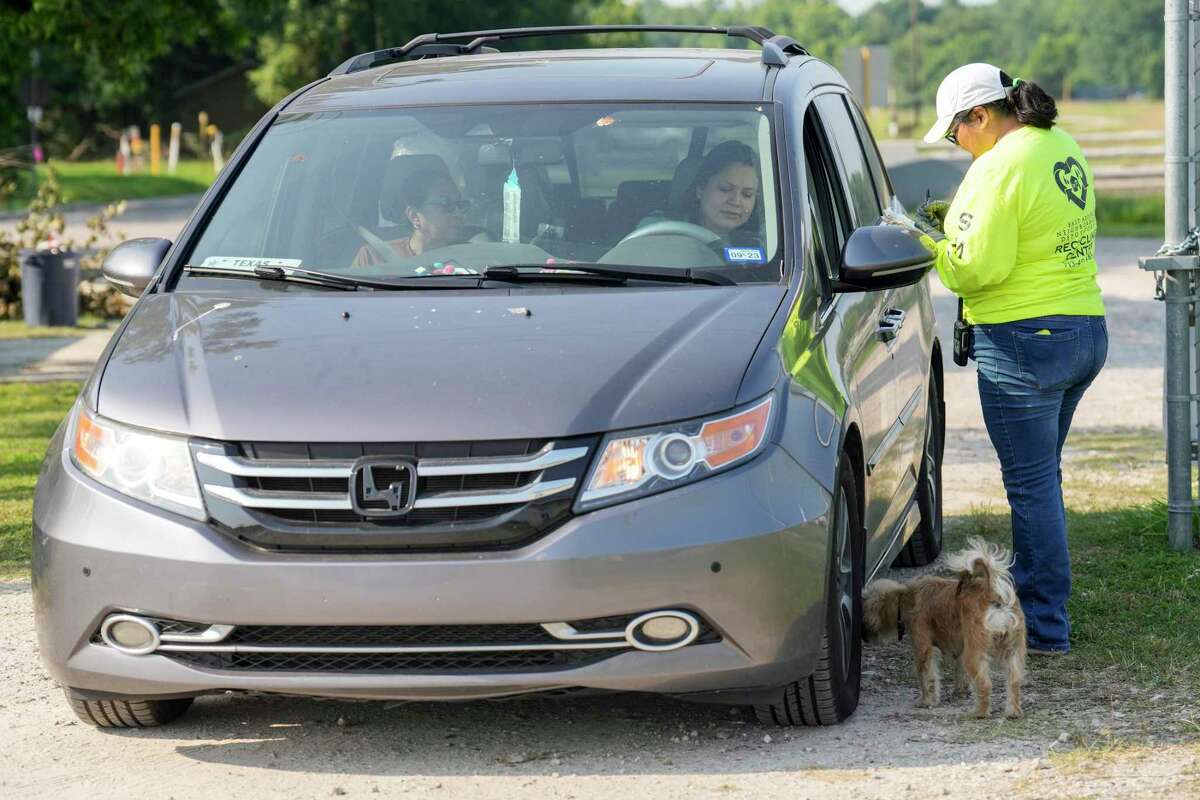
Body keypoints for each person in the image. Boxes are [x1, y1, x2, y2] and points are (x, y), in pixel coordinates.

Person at [916, 63, 1107, 655]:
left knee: (1030, 488)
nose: (957, 145)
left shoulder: (995, 166)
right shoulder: (1058, 143)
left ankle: (1046, 628)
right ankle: (1045, 615)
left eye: (955, 132)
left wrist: (927, 244)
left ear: (980, 116)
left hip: (1024, 339)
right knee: (1043, 477)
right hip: (1083, 330)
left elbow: (977, 268)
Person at [352, 167, 469, 267]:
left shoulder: (473, 257)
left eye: (460, 205)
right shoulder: (373, 257)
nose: (457, 213)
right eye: (446, 204)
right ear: (414, 217)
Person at [679, 140, 762, 245]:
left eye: (747, 194)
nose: (736, 201)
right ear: (700, 189)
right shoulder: (662, 234)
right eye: (725, 189)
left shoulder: (766, 247)